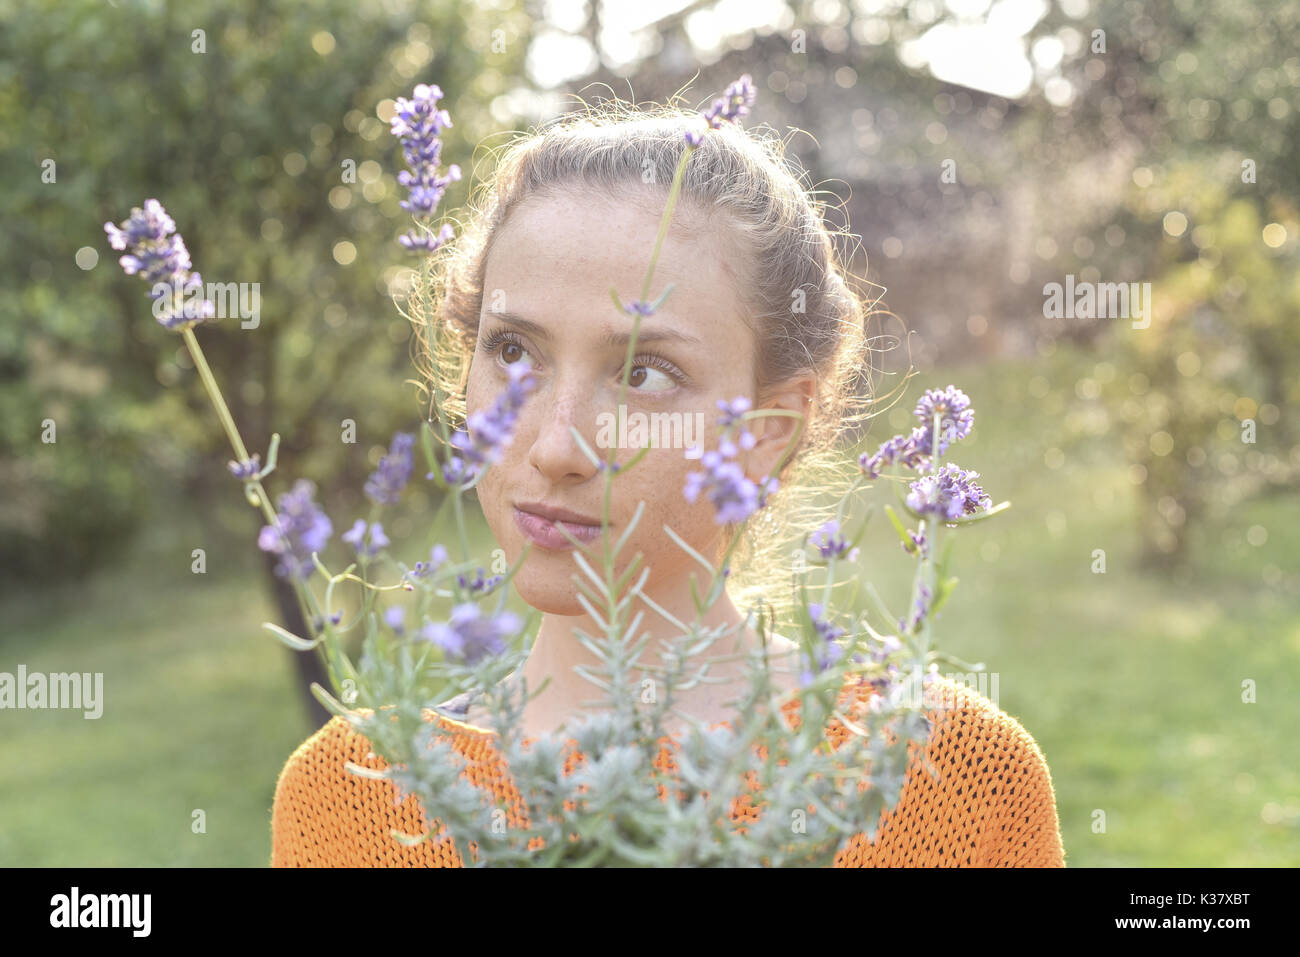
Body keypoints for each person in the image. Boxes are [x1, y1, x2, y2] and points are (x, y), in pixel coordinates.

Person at [270, 100, 1067, 867]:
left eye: (645, 372)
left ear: (767, 433)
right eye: (513, 352)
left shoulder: (950, 777)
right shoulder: (356, 794)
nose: (557, 446)